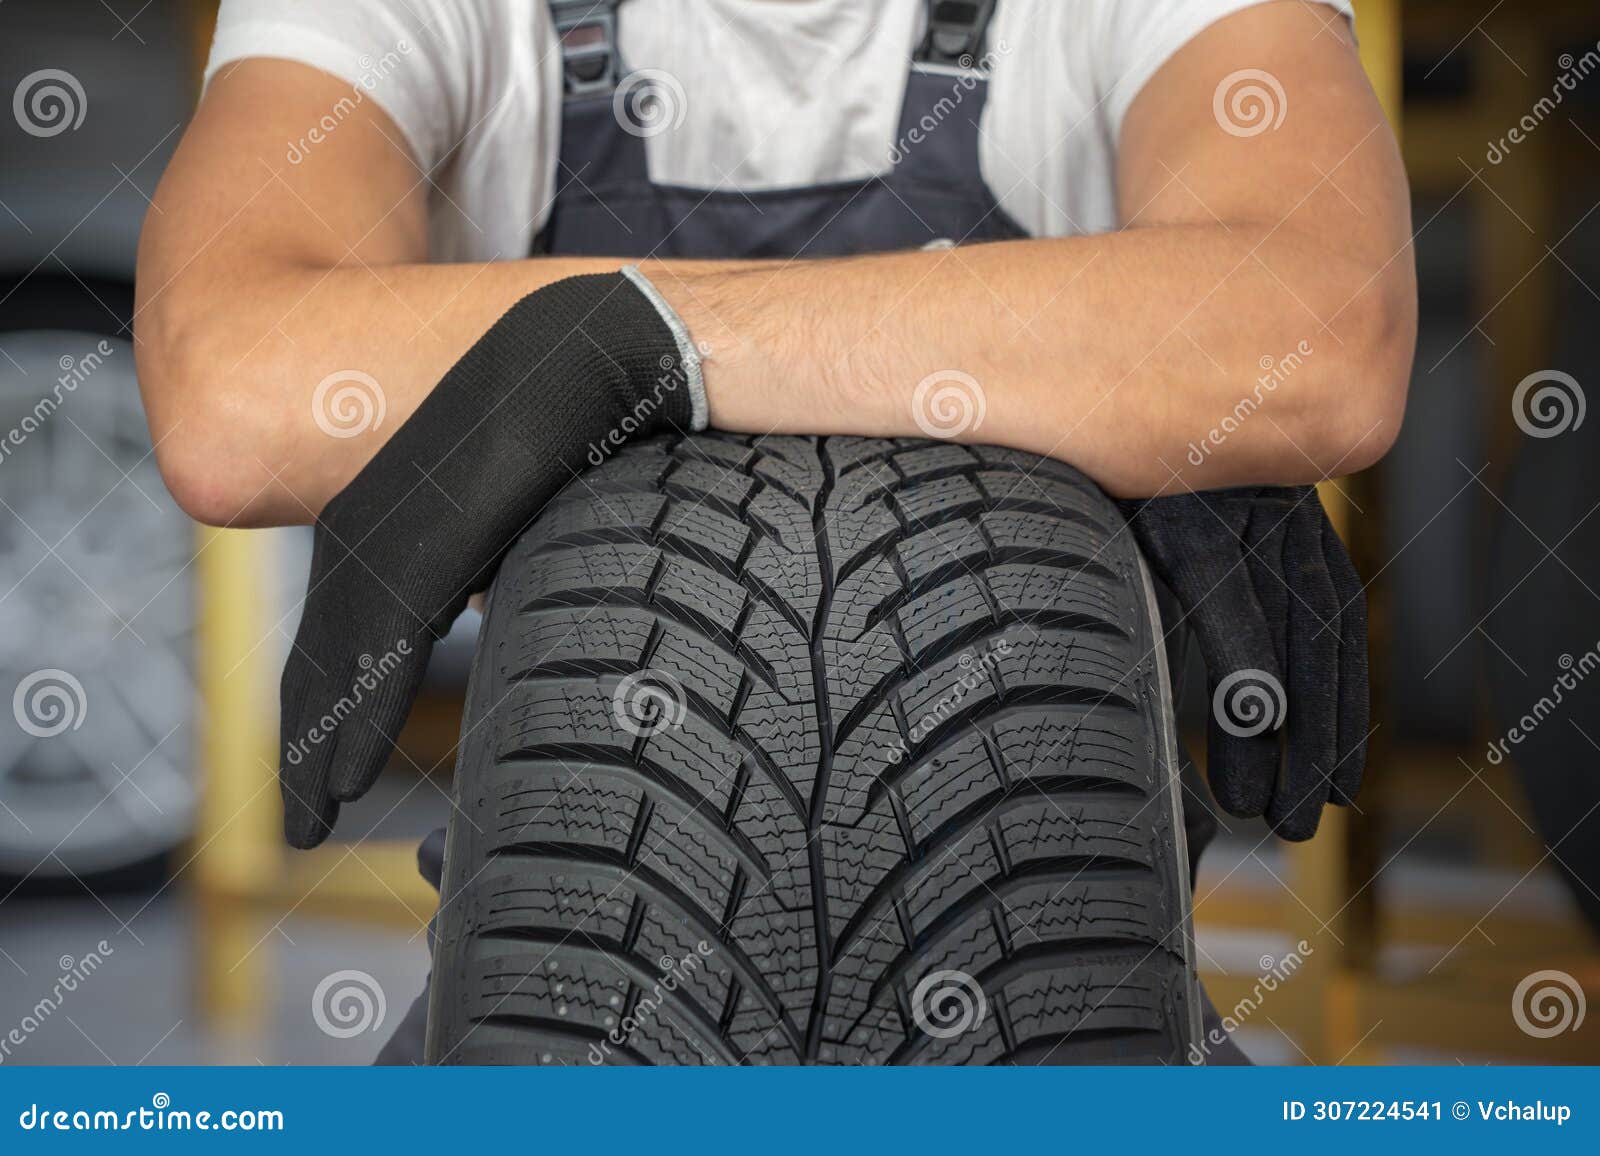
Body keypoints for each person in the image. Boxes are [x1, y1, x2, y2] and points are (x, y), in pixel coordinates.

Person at [135, 0, 1415, 1063]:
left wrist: (620, 348)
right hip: (563, 951)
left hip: (1065, 954)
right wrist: (1090, 362)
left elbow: (1320, 330)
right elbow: (230, 384)